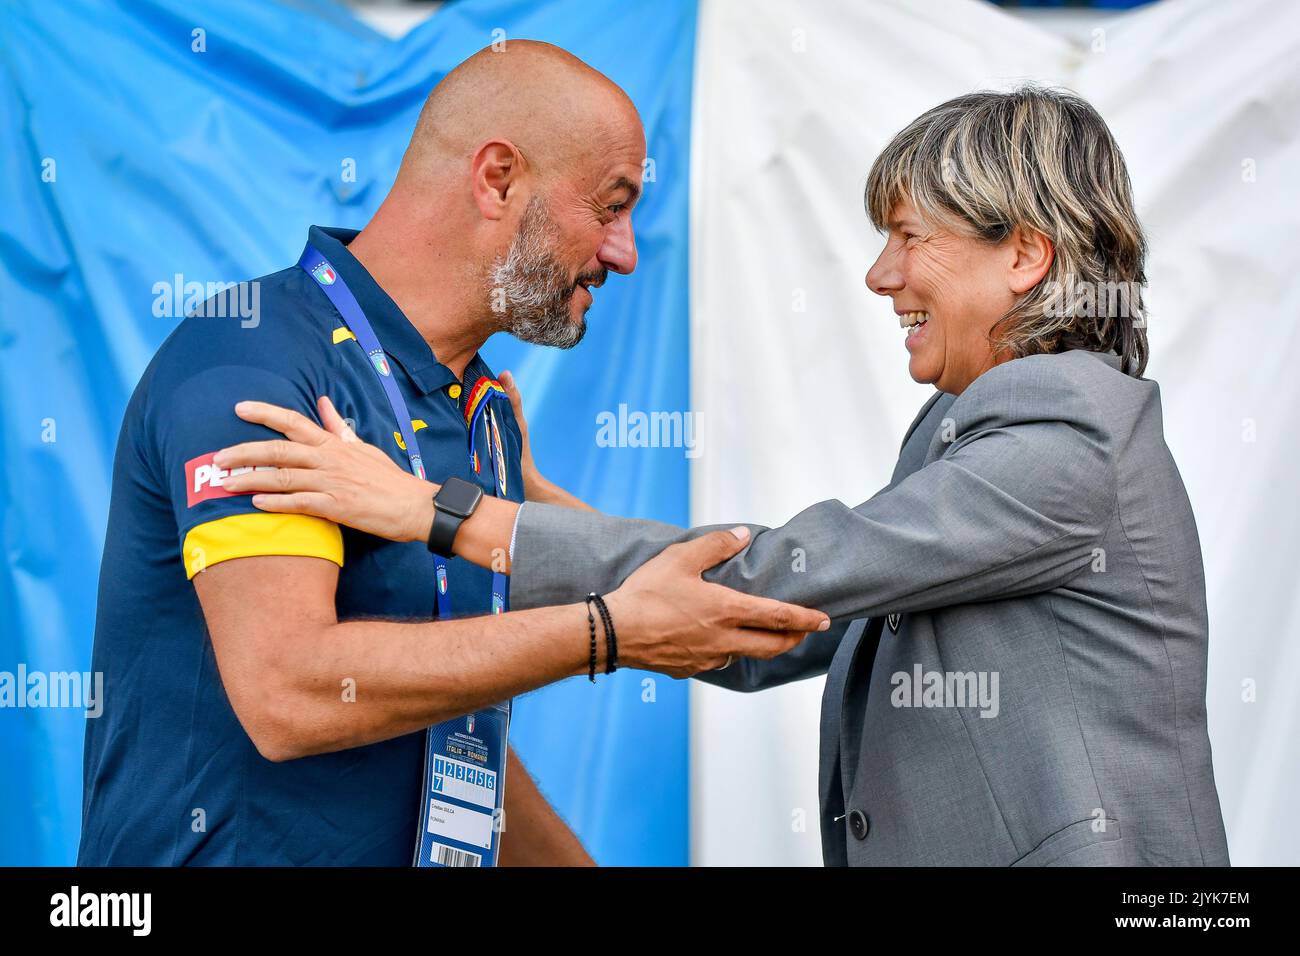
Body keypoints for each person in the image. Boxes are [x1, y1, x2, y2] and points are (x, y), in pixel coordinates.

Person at [220, 87, 1231, 866]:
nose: (879, 275)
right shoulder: (967, 431)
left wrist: (433, 510)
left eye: (909, 237)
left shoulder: (1068, 431)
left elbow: (778, 577)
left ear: (1024, 256)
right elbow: (772, 628)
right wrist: (532, 512)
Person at [79, 41, 827, 867]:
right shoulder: (255, 360)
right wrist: (604, 633)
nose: (626, 252)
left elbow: (449, 736)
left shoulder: (483, 412)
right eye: (611, 207)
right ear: (498, 178)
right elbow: (289, 692)